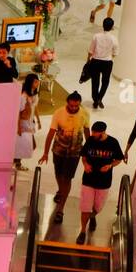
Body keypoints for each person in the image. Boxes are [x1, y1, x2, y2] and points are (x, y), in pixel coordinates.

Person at [38, 90, 90, 224]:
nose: (73, 108)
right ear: (67, 103)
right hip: (59, 150)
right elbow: (51, 133)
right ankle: (61, 191)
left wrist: (89, 151)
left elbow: (86, 131)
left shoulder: (84, 114)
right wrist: (45, 152)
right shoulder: (58, 113)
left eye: (76, 106)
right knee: (58, 174)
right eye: (71, 105)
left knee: (67, 178)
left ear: (79, 104)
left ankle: (61, 208)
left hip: (75, 152)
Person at [76, 120, 123, 244]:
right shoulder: (91, 140)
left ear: (102, 133)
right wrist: (85, 164)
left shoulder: (113, 143)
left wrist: (110, 166)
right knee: (85, 207)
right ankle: (82, 231)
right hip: (88, 179)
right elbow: (84, 156)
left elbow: (118, 159)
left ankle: (93, 216)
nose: (92, 134)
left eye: (95, 132)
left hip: (104, 181)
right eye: (92, 131)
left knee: (98, 206)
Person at [86, 16, 118, 110]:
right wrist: (109, 57)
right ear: (112, 27)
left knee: (95, 81)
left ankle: (95, 99)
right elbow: (115, 53)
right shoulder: (114, 39)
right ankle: (100, 98)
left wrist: (88, 59)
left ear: (103, 25)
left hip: (95, 61)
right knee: (105, 82)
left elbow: (91, 50)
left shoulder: (96, 36)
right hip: (107, 63)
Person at [14, 72, 41, 169]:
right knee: (27, 145)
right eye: (35, 82)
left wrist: (38, 120)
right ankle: (17, 163)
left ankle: (16, 162)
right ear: (30, 83)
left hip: (30, 122)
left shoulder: (35, 94)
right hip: (23, 124)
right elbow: (18, 112)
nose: (38, 83)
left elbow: (35, 108)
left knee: (29, 145)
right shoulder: (23, 97)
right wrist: (18, 127)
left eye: (38, 82)